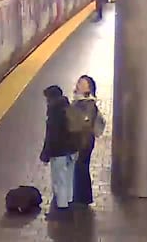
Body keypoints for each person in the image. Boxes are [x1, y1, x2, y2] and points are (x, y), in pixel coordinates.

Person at [40, 85, 79, 218]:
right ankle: (69, 205)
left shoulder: (54, 112)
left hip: (59, 152)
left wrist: (45, 155)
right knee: (68, 180)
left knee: (59, 181)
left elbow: (52, 136)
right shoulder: (68, 107)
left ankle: (61, 211)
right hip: (72, 151)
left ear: (50, 98)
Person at [71, 75, 105, 207]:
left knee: (81, 168)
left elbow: (85, 124)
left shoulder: (88, 104)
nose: (79, 84)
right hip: (81, 140)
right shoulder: (79, 101)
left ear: (89, 88)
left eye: (83, 83)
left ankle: (82, 198)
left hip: (83, 141)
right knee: (80, 168)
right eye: (79, 82)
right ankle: (82, 197)